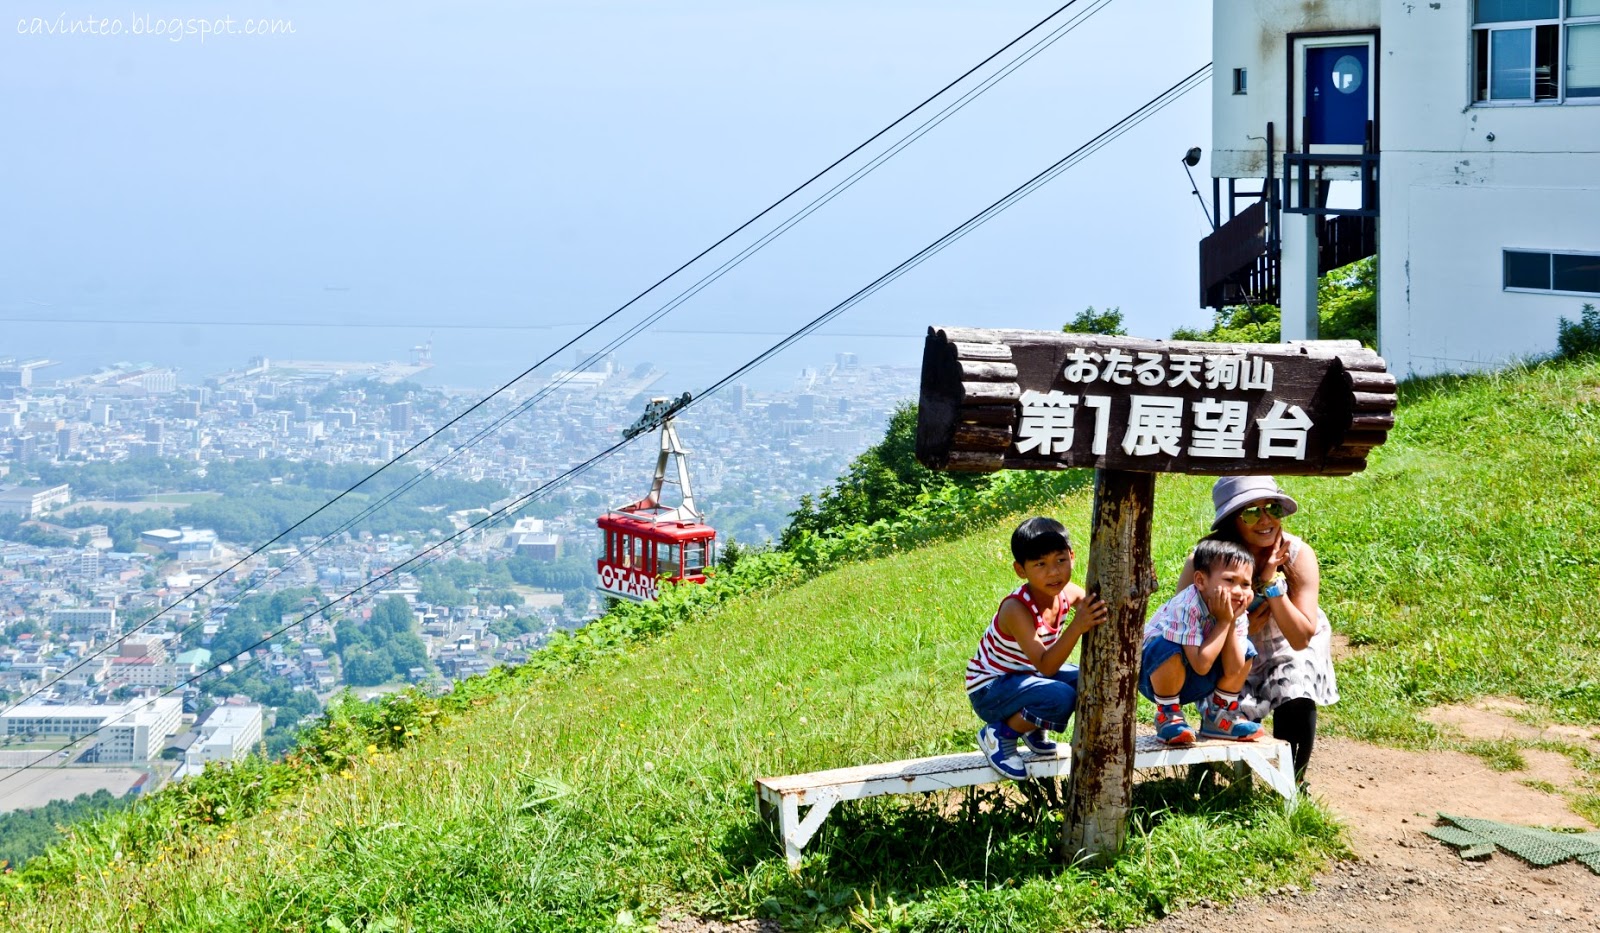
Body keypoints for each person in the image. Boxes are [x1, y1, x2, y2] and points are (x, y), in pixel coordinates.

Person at [1179, 475, 1338, 782]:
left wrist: (1271, 583)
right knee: (1224, 696)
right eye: (1252, 512)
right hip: (1227, 647)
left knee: (1296, 681)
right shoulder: (1204, 562)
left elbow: (1300, 638)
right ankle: (1209, 781)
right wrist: (1238, 628)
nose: (1266, 520)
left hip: (1286, 647)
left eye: (1273, 509)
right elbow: (1184, 628)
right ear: (1231, 521)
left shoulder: (1298, 554)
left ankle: (1293, 783)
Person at [966, 517, 1107, 780]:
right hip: (990, 690)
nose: (1053, 572)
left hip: (1025, 677)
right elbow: (1046, 665)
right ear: (1021, 570)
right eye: (1040, 564)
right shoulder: (1016, 609)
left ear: (1072, 557)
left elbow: (1096, 603)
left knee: (1086, 679)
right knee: (1061, 696)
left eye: (1060, 560)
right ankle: (1000, 735)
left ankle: (1031, 725)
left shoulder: (1067, 593)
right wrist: (1077, 625)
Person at [1139, 537, 1264, 745]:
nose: (1238, 591)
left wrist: (1231, 622)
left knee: (1247, 650)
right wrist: (1223, 622)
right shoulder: (1186, 605)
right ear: (1200, 581)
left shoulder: (1237, 610)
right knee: (1166, 647)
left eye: (1245, 584)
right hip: (1154, 678)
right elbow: (1201, 665)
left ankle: (1219, 715)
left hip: (1195, 676)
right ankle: (1168, 715)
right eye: (1229, 580)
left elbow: (1234, 669)